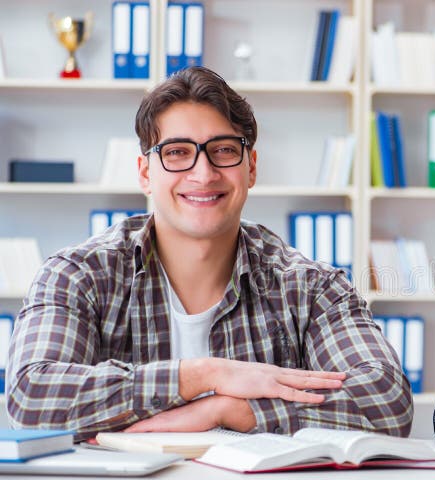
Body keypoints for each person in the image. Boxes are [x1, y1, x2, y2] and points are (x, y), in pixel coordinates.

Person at [6, 67, 413, 441]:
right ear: (146, 173)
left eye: (222, 150)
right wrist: (205, 374)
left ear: (251, 168)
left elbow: (387, 401)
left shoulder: (311, 287)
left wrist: (231, 410)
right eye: (178, 152)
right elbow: (30, 399)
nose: (204, 173)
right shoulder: (78, 274)